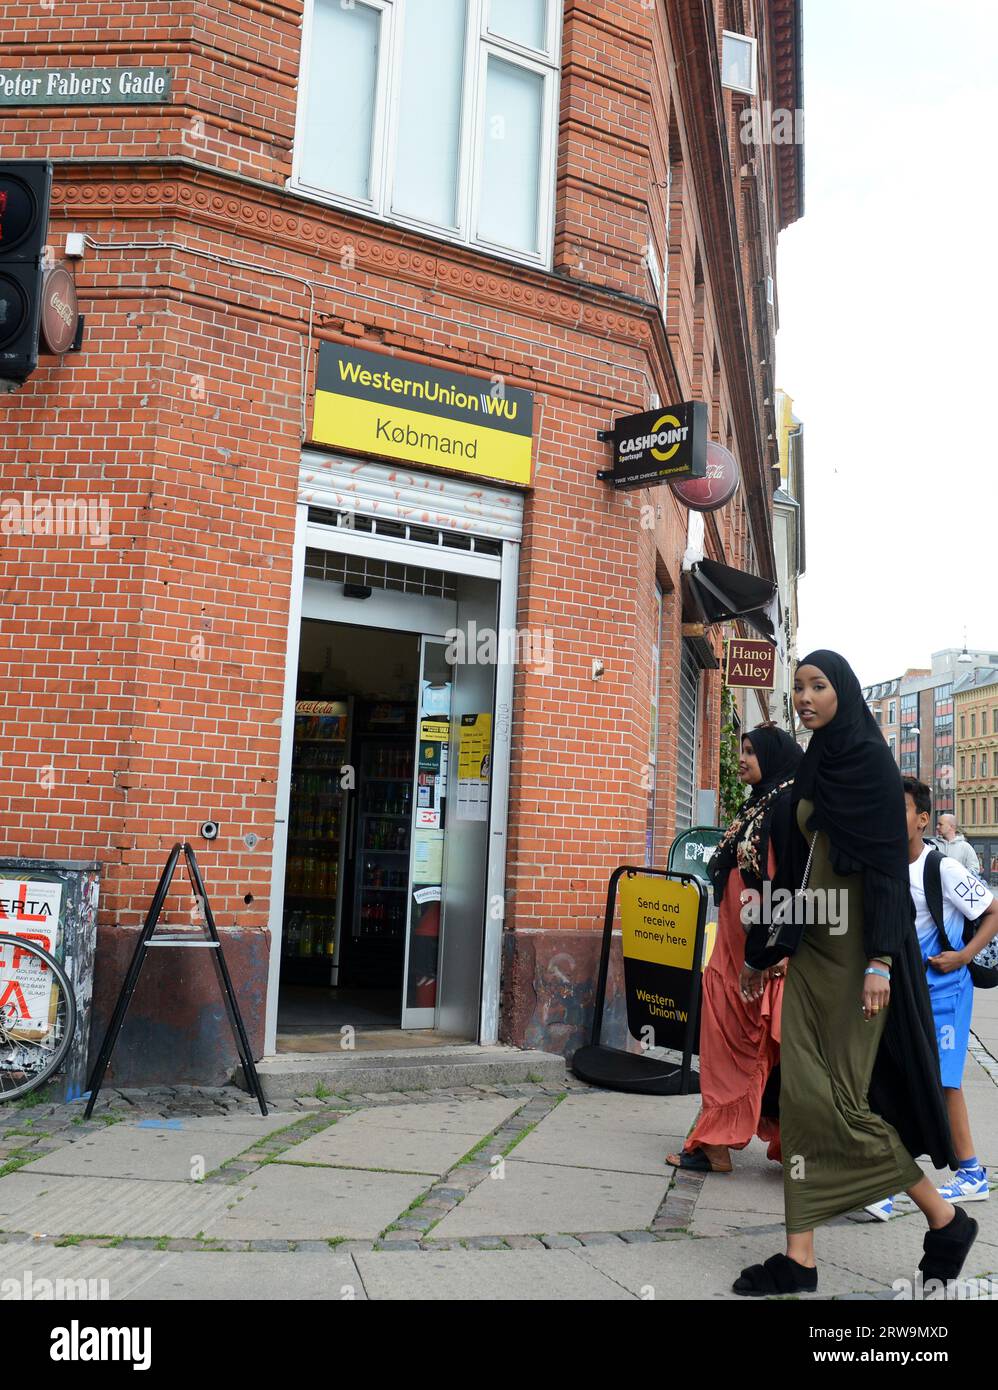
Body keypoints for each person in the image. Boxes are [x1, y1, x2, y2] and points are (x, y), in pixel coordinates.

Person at [732, 651, 975, 1297]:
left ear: (841, 691)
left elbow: (886, 871)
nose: (805, 697)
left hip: (859, 958)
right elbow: (799, 870)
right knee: (805, 1104)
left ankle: (944, 1217)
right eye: (798, 688)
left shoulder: (868, 764)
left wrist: (880, 962)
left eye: (818, 686)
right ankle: (800, 1259)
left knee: (838, 1103)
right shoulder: (815, 764)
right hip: (812, 953)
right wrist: (767, 951)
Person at [666, 726, 802, 1173]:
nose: (741, 758)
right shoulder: (761, 801)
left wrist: (775, 950)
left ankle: (721, 1144)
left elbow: (787, 882)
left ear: (773, 757)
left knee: (744, 1045)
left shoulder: (783, 803)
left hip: (754, 948)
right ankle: (744, 1144)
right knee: (739, 1043)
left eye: (749, 752)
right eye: (740, 750)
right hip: (733, 941)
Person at [864, 778, 997, 1217]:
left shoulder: (941, 868)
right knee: (897, 1081)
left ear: (922, 819)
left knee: (944, 1082)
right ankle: (889, 1178)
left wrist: (963, 955)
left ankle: (972, 1172)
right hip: (902, 995)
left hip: (945, 992)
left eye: (899, 808)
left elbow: (993, 911)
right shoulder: (881, 866)